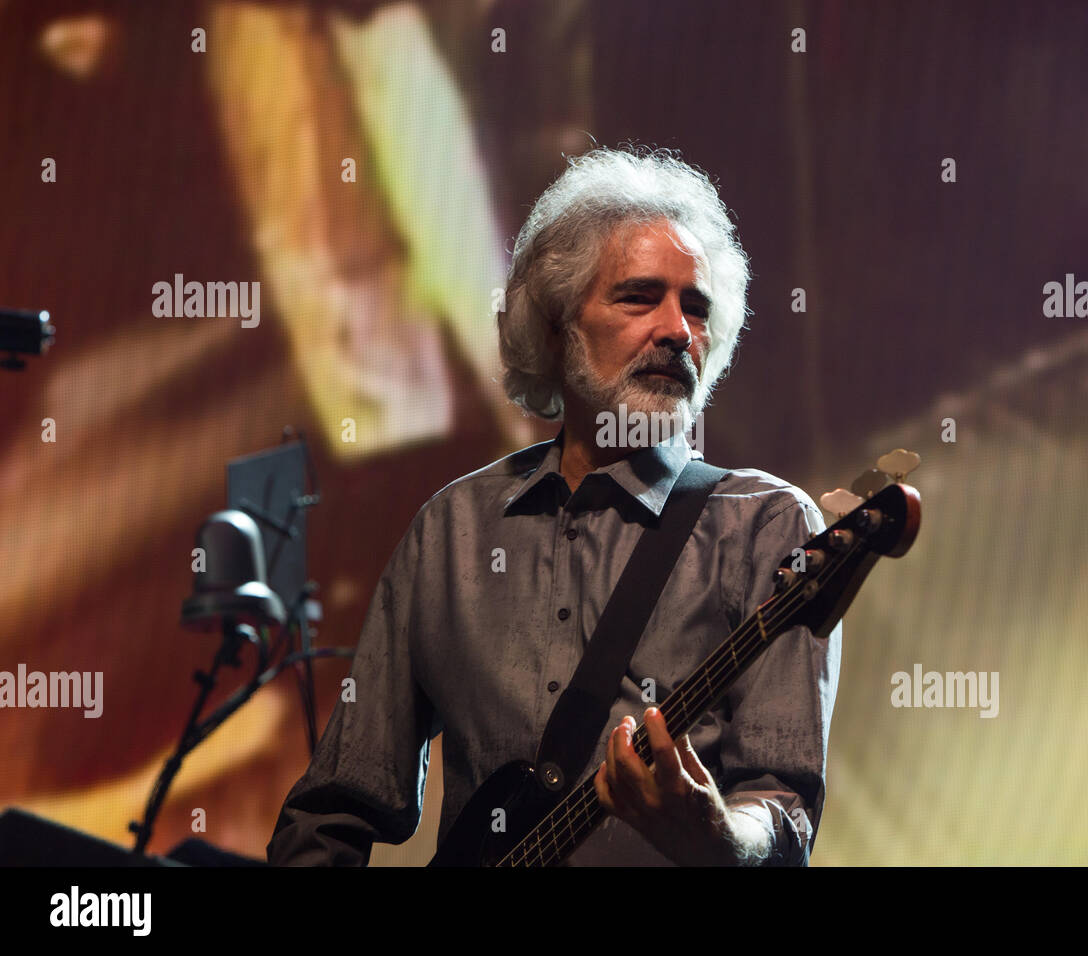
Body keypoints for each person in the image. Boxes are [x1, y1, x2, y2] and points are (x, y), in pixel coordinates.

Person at [266, 146, 841, 866]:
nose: (676, 330)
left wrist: (720, 835)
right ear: (555, 324)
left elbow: (783, 816)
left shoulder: (766, 526)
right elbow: (330, 809)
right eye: (639, 296)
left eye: (696, 308)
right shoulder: (452, 530)